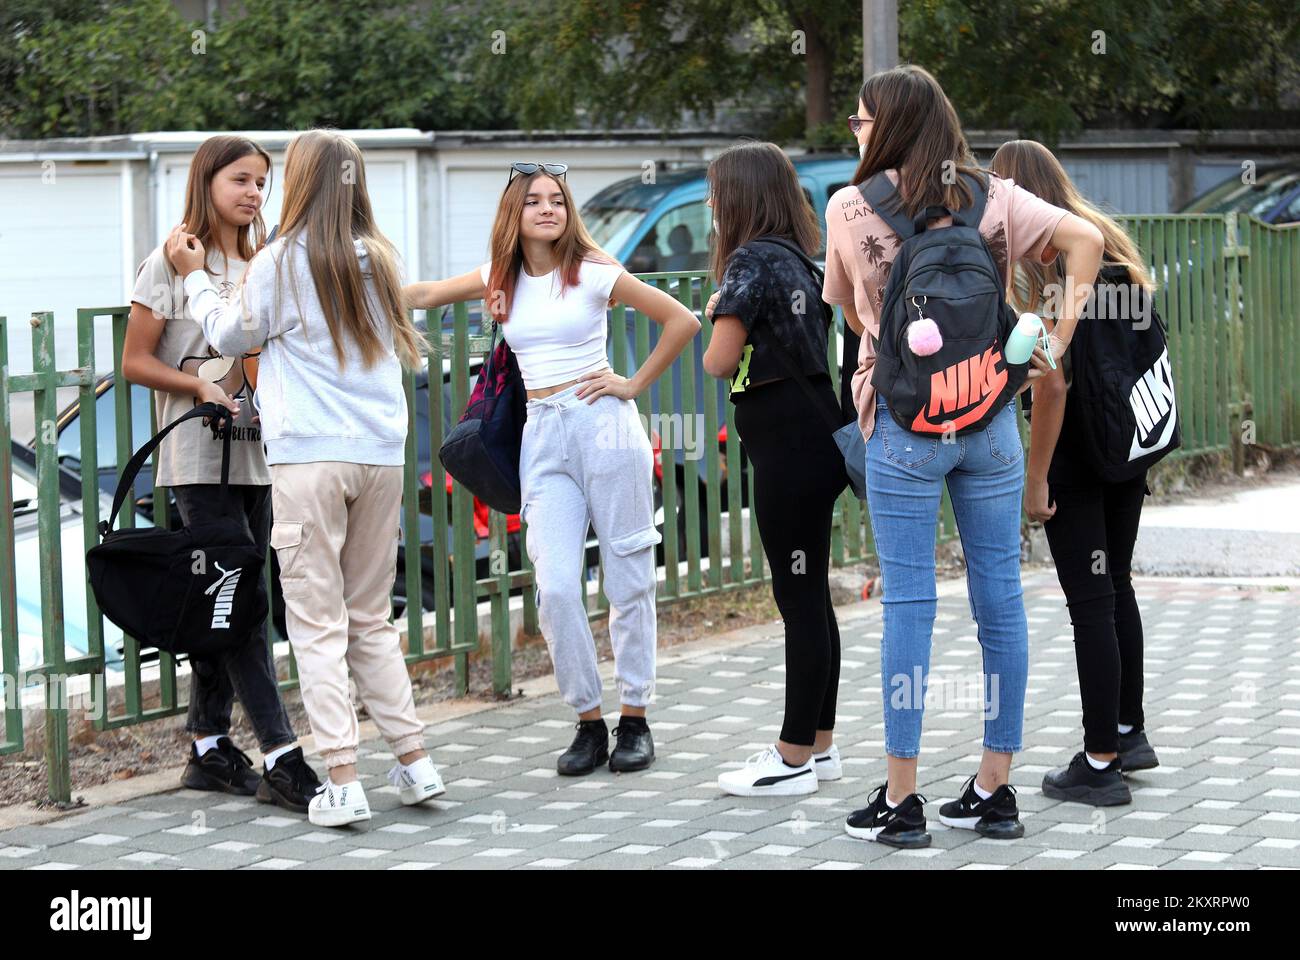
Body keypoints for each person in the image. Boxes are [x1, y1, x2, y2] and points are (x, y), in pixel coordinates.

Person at [823, 65, 1105, 847]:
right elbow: (1085, 241)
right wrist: (1051, 337)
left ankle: (903, 799)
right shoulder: (995, 195)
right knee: (1000, 602)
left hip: (905, 426)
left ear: (888, 127)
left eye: (859, 121)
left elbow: (848, 308)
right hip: (990, 423)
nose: (853, 132)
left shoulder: (850, 205)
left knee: (910, 603)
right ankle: (995, 788)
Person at [168, 129, 442, 827]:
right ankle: (415, 764)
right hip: (380, 455)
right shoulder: (378, 257)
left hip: (310, 461)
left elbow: (230, 337)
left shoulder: (281, 260)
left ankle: (344, 781)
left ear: (301, 181)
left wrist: (194, 277)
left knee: (318, 625)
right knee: (371, 618)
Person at [403, 161, 699, 776]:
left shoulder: (591, 272)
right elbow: (424, 295)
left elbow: (683, 320)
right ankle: (588, 720)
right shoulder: (499, 279)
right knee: (558, 584)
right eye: (534, 200)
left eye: (557, 200)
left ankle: (636, 718)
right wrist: (346, 275)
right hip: (542, 435)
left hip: (603, 427)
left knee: (628, 576)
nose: (547, 209)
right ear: (514, 212)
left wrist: (633, 383)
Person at [122, 135, 320, 814]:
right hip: (197, 463)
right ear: (207, 181)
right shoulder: (172, 260)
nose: (253, 193)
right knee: (244, 602)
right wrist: (198, 388)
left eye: (262, 182)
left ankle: (208, 746)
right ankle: (282, 756)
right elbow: (134, 362)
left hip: (260, 460)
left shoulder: (267, 261)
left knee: (225, 599)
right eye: (240, 179)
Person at [991, 139, 1161, 806]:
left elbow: (1052, 391)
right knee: (1116, 585)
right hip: (1129, 451)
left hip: (1079, 459)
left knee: (1089, 605)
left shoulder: (1062, 291)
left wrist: (1037, 481)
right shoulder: (1118, 262)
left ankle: (1098, 763)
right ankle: (1128, 729)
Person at [700, 141, 850, 796]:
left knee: (798, 597)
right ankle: (820, 746)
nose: (710, 207)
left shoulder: (749, 260)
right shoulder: (796, 259)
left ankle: (791, 758)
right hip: (817, 443)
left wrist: (716, 317)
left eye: (715, 194)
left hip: (788, 449)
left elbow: (717, 360)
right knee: (813, 592)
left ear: (736, 198)